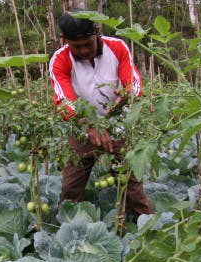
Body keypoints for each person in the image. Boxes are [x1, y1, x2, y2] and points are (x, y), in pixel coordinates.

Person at [49, 11, 154, 216]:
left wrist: (125, 96)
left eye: (87, 43)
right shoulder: (60, 60)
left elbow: (133, 84)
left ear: (97, 31)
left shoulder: (117, 47)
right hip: (82, 129)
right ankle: (66, 229)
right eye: (76, 46)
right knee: (71, 187)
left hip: (118, 127)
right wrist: (89, 126)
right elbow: (63, 102)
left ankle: (149, 228)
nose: (83, 50)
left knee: (132, 187)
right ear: (64, 40)